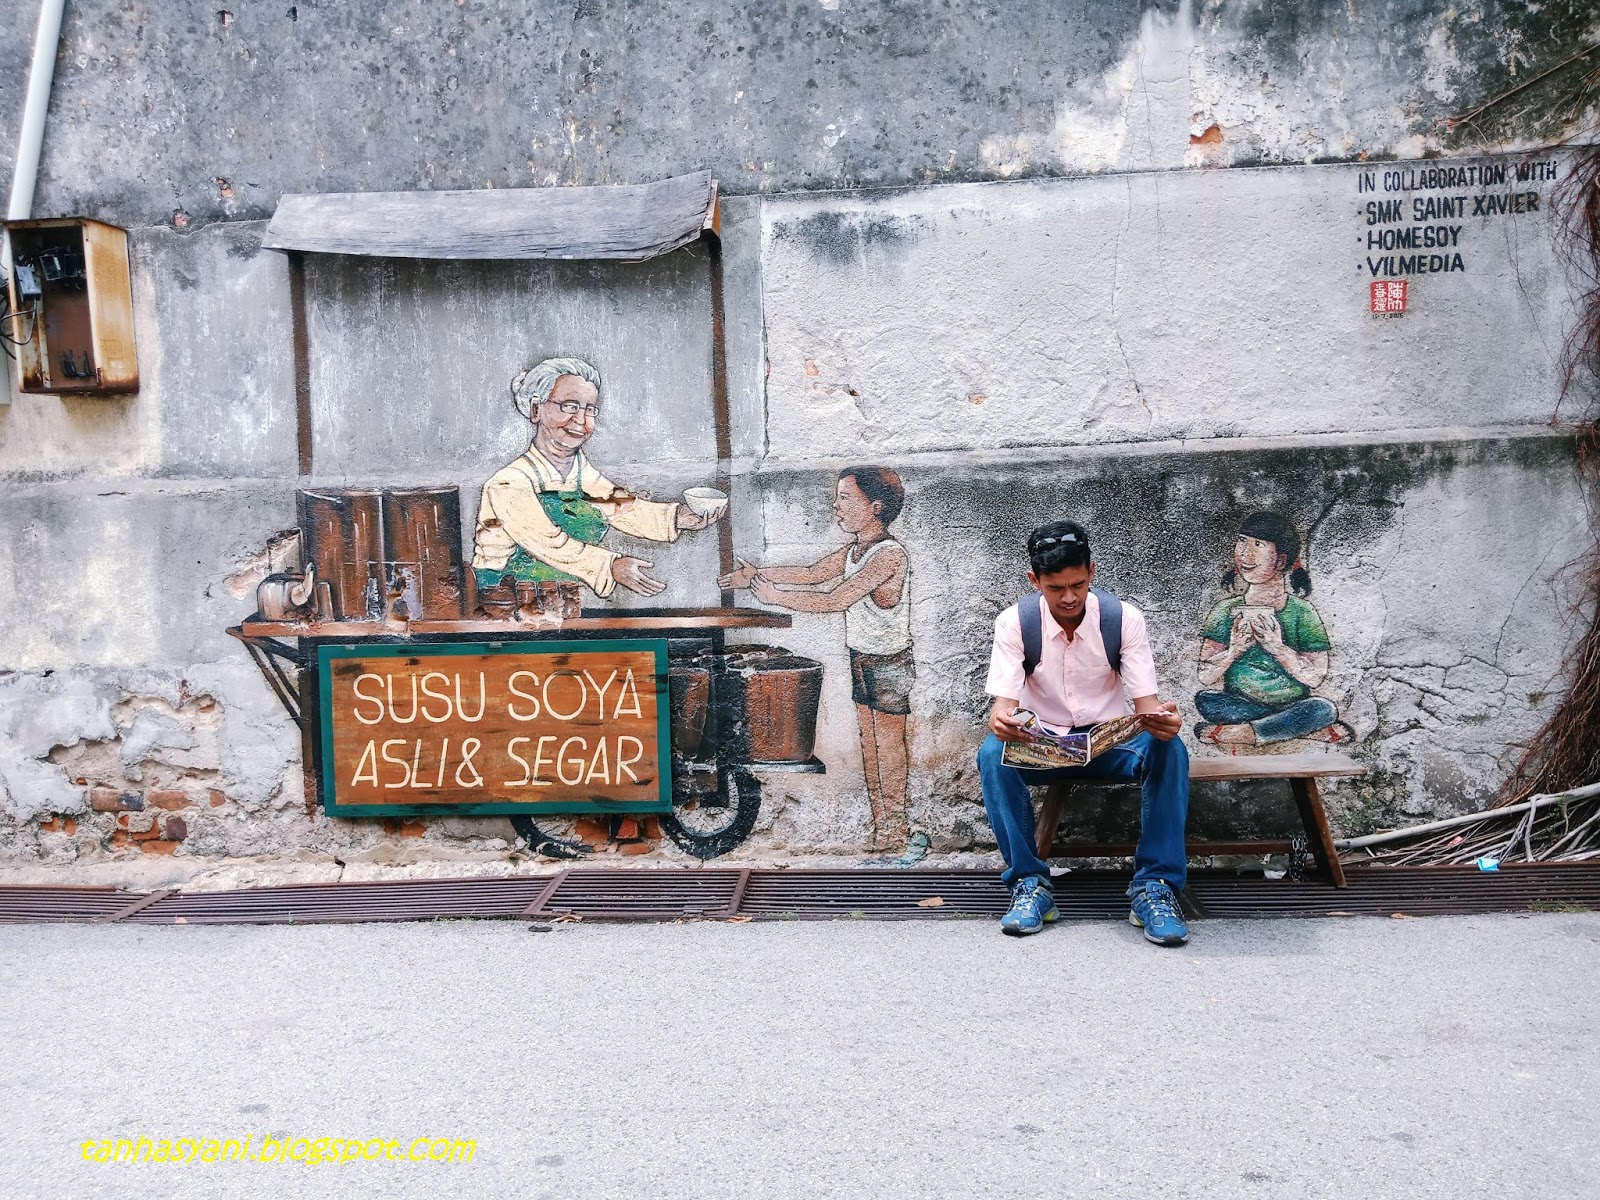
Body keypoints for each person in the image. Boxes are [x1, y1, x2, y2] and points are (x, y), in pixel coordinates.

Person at [978, 520, 1191, 943]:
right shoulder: (1015, 623)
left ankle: (1156, 887)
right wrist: (1002, 722)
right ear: (1034, 580)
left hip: (1111, 746)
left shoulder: (1122, 619)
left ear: (1092, 571)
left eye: (1078, 584)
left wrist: (1164, 722)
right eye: (1056, 588)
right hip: (1044, 745)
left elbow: (1147, 706)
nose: (1070, 597)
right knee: (991, 754)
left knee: (1170, 748)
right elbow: (1002, 708)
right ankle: (1029, 884)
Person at [719, 467, 926, 860]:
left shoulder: (889, 555)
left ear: (875, 508)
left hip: (889, 662)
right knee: (870, 743)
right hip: (862, 656)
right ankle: (884, 833)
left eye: (846, 498)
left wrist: (775, 596)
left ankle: (897, 831)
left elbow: (835, 598)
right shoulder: (855, 550)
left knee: (888, 746)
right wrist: (755, 575)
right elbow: (813, 573)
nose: (837, 506)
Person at [471, 357, 722, 598]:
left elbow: (623, 508)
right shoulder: (508, 483)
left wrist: (678, 518)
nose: (580, 420)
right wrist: (611, 566)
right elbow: (548, 543)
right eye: (569, 406)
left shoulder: (582, 474)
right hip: (504, 602)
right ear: (536, 409)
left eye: (589, 409)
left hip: (559, 600)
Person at [1194, 511, 1353, 746]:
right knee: (1206, 700)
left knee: (1323, 708)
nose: (1245, 553)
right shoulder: (1225, 610)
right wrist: (1234, 651)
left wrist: (1277, 648)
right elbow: (1205, 676)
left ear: (1280, 560)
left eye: (1258, 544)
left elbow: (1315, 677)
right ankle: (1292, 728)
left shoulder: (1302, 612)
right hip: (1240, 704)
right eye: (1241, 541)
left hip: (1293, 704)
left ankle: (1245, 734)